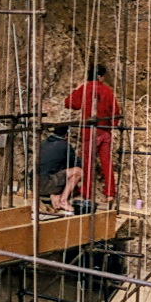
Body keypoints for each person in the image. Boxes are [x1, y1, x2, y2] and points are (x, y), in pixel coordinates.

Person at [64, 64, 121, 204]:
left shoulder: (85, 88)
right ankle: (110, 193)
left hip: (90, 132)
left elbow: (69, 103)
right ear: (101, 76)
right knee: (107, 163)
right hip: (104, 131)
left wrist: (77, 88)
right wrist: (111, 127)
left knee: (88, 164)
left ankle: (87, 193)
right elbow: (115, 112)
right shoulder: (107, 90)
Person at [38, 125, 83, 216]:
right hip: (47, 183)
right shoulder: (65, 146)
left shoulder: (43, 143)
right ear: (66, 135)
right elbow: (75, 163)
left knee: (59, 172)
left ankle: (54, 196)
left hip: (35, 183)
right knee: (78, 172)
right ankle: (63, 200)